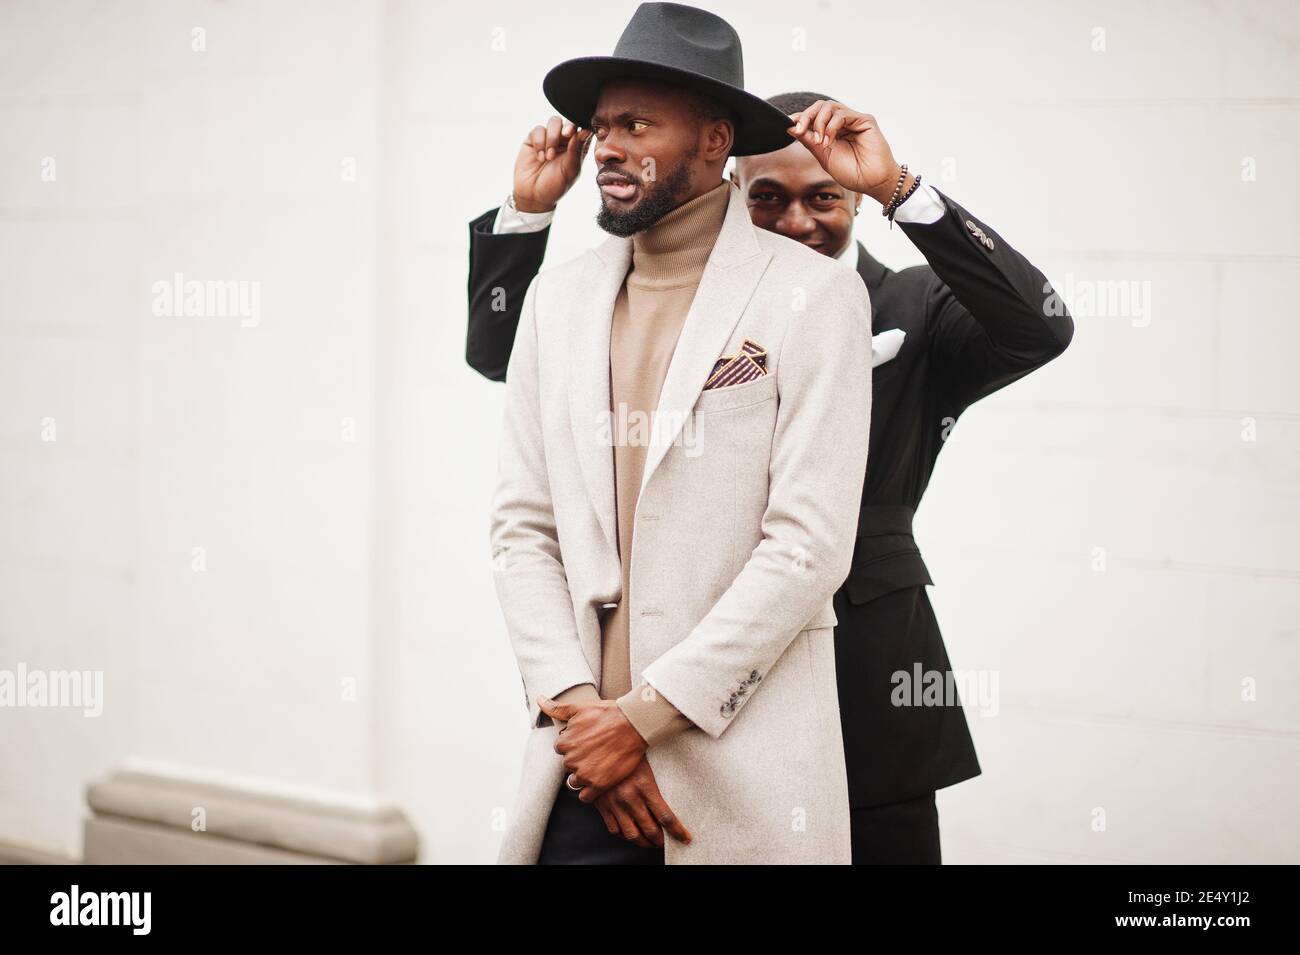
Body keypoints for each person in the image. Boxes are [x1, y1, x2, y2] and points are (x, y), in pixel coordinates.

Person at [470, 83, 1074, 861]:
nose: (798, 221)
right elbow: (503, 356)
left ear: (852, 199)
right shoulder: (678, 296)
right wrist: (529, 215)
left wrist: (900, 188)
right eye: (769, 199)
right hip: (678, 682)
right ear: (730, 189)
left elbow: (1042, 324)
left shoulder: (912, 305)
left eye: (824, 197)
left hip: (868, 679)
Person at [489, 2, 872, 864]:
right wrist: (582, 710)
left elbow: (808, 548)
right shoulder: (558, 300)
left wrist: (644, 717)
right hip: (578, 772)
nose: (609, 147)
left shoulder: (813, 295)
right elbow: (523, 529)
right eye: (600, 126)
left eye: (636, 124)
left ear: (713, 141)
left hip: (737, 781)